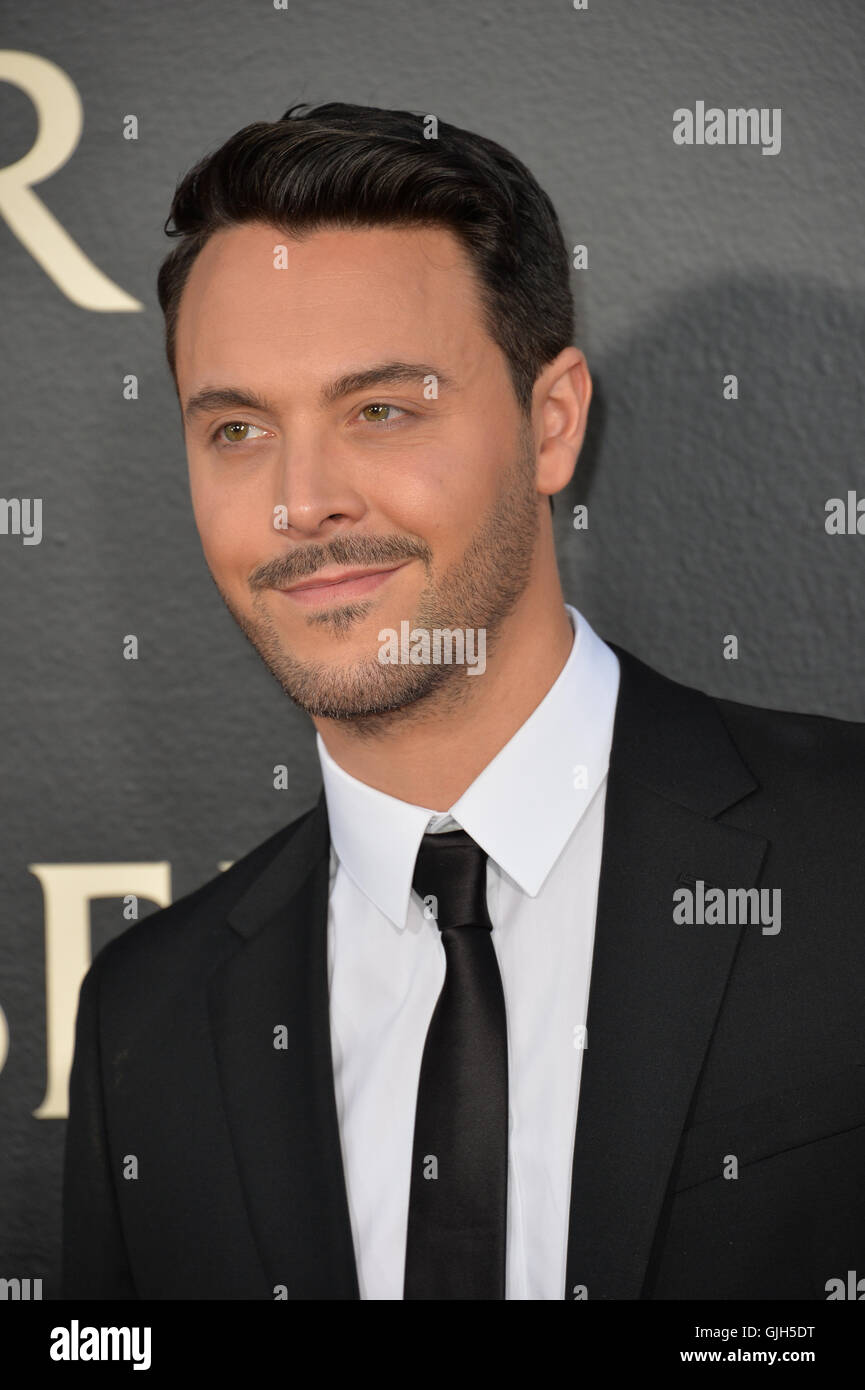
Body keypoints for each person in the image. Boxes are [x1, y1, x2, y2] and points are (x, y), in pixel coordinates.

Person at [62, 102, 865, 1301]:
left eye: (380, 408)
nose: (302, 501)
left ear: (552, 424)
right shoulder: (147, 1021)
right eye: (236, 428)